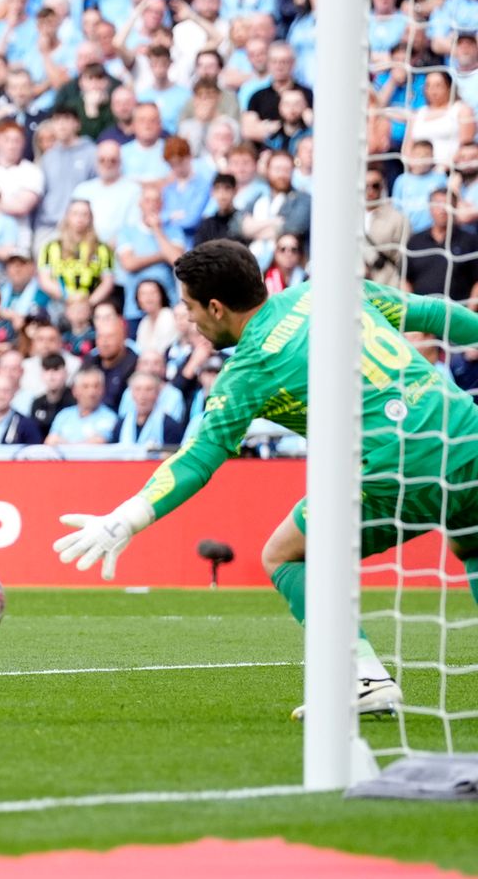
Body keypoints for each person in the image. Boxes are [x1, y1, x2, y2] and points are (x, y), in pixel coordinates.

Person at [53, 239, 478, 717]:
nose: (190, 319)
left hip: (401, 462)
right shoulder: (328, 291)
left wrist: (127, 518)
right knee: (472, 542)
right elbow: (433, 314)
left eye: (191, 308)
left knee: (283, 554)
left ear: (216, 307)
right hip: (466, 428)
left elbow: (197, 460)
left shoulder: (248, 369)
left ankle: (359, 678)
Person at [45, 366, 116, 444]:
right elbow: (50, 441)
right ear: (75, 391)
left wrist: (64, 444)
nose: (91, 392)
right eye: (85, 387)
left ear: (103, 390)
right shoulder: (63, 415)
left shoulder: (110, 417)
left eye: (96, 386)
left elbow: (97, 443)